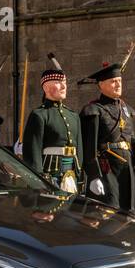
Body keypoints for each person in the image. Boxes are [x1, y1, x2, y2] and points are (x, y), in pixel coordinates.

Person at [78, 61, 135, 210]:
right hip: (106, 171)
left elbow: (129, 140)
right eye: (113, 81)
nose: (118, 85)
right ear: (101, 85)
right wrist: (93, 175)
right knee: (107, 213)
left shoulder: (125, 109)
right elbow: (89, 146)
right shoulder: (94, 110)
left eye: (120, 81)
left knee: (128, 212)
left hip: (126, 169)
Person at [21, 54, 83, 193]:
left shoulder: (73, 116)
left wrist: (80, 177)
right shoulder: (39, 115)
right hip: (50, 174)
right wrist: (39, 182)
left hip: (71, 175)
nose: (64, 86)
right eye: (58, 82)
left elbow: (79, 151)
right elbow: (33, 153)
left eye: (64, 82)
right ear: (46, 88)